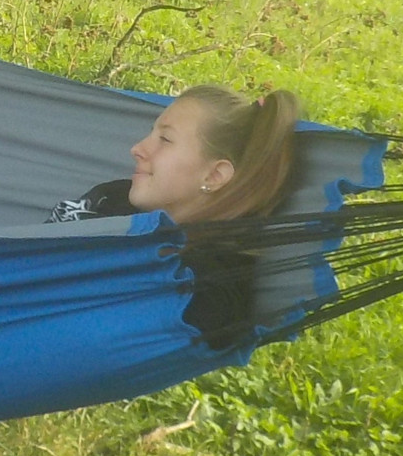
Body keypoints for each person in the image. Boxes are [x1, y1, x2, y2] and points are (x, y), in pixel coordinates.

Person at [48, 84, 302, 345]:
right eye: (151, 133)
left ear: (214, 176)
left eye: (165, 139)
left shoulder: (206, 289)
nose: (137, 148)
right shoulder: (113, 197)